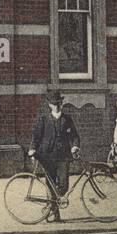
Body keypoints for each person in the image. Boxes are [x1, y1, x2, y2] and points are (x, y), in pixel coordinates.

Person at [29, 90, 81, 221]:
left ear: (62, 103)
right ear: (49, 105)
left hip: (63, 156)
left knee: (64, 185)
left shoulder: (67, 119)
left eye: (58, 103)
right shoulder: (44, 119)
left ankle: (51, 207)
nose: (56, 106)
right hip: (47, 157)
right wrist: (32, 149)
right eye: (54, 104)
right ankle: (54, 213)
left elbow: (74, 136)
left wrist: (75, 146)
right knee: (51, 184)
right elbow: (36, 136)